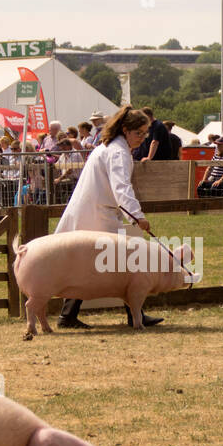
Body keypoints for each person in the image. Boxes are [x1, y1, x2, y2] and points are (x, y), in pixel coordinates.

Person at [53, 105, 161, 329]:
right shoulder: (118, 152)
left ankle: (68, 315)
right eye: (138, 133)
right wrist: (137, 217)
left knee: (91, 265)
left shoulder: (110, 147)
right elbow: (121, 187)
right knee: (124, 263)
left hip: (94, 211)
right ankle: (134, 315)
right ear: (125, 130)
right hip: (97, 214)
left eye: (145, 134)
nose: (142, 138)